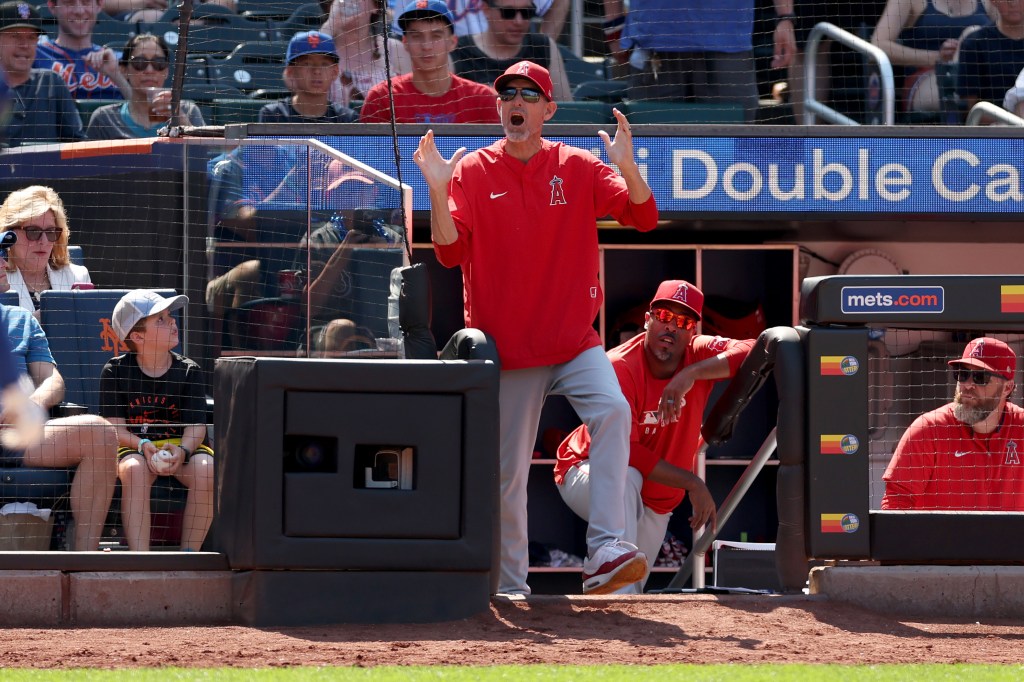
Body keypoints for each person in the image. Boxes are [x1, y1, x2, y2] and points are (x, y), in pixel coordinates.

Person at [413, 60, 658, 595]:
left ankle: (605, 550)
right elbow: (450, 253)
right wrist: (436, 187)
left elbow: (643, 218)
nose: (515, 103)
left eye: (528, 95)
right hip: (510, 351)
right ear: (499, 107)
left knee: (614, 411)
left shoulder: (579, 164)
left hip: (573, 341)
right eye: (507, 95)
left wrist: (628, 165)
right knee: (509, 477)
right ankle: (510, 586)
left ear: (548, 109)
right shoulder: (473, 169)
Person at [554, 280, 754, 592]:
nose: (671, 328)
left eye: (683, 322)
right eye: (663, 316)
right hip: (586, 468)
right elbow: (627, 452)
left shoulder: (697, 355)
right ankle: (601, 568)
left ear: (692, 332)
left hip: (658, 497)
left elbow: (752, 349)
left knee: (630, 583)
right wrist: (693, 483)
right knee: (628, 477)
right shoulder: (620, 366)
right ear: (647, 319)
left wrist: (689, 375)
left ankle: (604, 618)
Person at [0, 230, 117, 550]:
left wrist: (31, 403)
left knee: (99, 433)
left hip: (17, 434)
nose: (2, 262)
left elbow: (54, 381)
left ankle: (83, 561)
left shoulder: (22, 320)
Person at [102, 290, 214, 551]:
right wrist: (142, 445)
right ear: (138, 337)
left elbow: (196, 428)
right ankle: (140, 557)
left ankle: (189, 556)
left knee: (207, 469)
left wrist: (183, 451)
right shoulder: (114, 371)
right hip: (134, 447)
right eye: (161, 320)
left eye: (170, 316)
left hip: (182, 446)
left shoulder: (189, 371)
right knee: (134, 471)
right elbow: (114, 429)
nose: (173, 322)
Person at [882, 337, 1024, 511]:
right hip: (941, 538)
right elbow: (896, 502)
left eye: (980, 377)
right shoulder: (927, 429)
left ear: (1007, 388)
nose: (967, 385)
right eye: (962, 374)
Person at [601, 0, 796, 123]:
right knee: (648, 149)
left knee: (736, 146)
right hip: (654, 42)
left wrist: (785, 17)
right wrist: (613, 24)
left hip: (727, 39)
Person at [360, 0, 500, 123]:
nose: (426, 46)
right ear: (405, 43)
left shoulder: (482, 99)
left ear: (452, 42)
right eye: (416, 36)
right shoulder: (382, 98)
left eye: (436, 36)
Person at [870, 0, 992, 113]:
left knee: (972, 33)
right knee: (962, 98)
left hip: (980, 77)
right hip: (926, 77)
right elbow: (878, 44)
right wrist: (938, 58)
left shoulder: (990, 3)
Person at [86, 33, 205, 139]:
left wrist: (181, 120)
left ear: (166, 71)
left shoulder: (188, 111)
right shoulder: (104, 119)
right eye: (139, 62)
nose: (149, 70)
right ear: (124, 70)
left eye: (159, 63)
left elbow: (206, 158)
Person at [0, 1, 85, 146]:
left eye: (31, 38)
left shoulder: (51, 81)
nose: (24, 45)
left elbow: (76, 143)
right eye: (15, 36)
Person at [451, 0, 573, 101]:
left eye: (526, 13)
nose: (518, 21)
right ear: (486, 9)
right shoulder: (459, 52)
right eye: (508, 13)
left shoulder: (543, 47)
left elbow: (566, 110)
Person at [0, 185, 90, 315]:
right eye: (33, 231)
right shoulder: (1, 280)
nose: (44, 241)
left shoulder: (78, 276)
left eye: (50, 232)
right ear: (9, 233)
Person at [320, 0, 410, 107]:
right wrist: (331, 24)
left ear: (375, 6)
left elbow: (411, 103)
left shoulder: (395, 49)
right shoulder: (321, 45)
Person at [33, 0, 130, 100]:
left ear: (99, 4)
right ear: (53, 6)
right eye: (69, 3)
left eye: (86, 2)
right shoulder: (35, 55)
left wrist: (117, 76)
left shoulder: (120, 61)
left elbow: (143, 110)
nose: (79, 11)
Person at [259, 30, 359, 124]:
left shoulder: (347, 118)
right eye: (307, 64)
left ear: (335, 72)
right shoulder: (273, 115)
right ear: (291, 71)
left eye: (324, 64)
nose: (317, 71)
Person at [956, 0, 1024, 111]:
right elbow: (972, 110)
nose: (1013, 3)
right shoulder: (974, 43)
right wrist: (1014, 119)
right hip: (994, 125)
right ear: (993, 1)